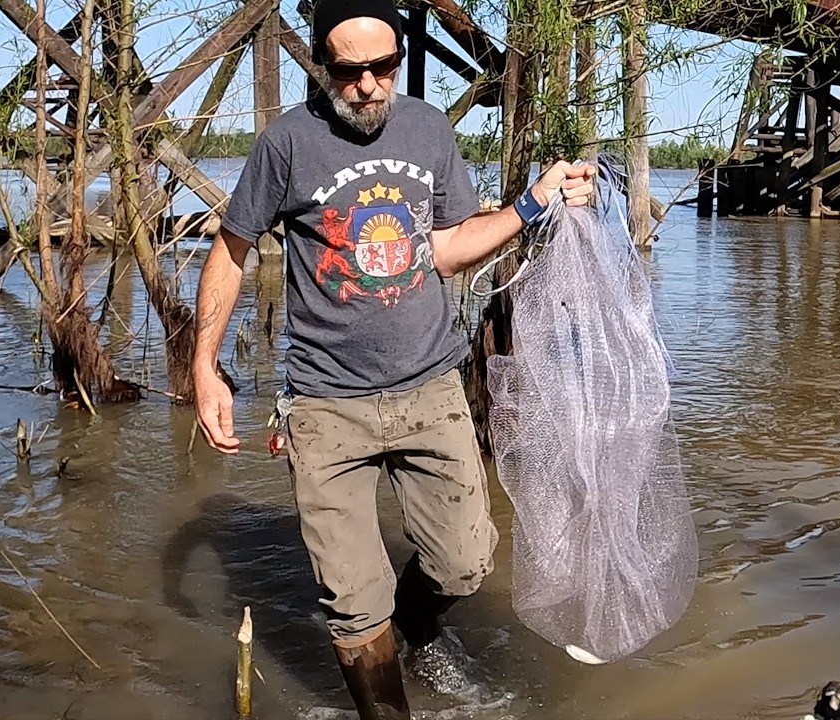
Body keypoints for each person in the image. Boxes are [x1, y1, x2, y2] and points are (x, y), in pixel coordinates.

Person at [191, 0, 594, 715]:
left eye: (385, 66)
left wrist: (530, 205)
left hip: (430, 388)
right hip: (325, 404)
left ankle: (418, 627)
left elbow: (445, 248)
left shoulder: (428, 128)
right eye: (352, 71)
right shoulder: (286, 143)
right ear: (322, 65)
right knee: (352, 602)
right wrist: (204, 367)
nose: (371, 85)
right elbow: (231, 249)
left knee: (464, 564)